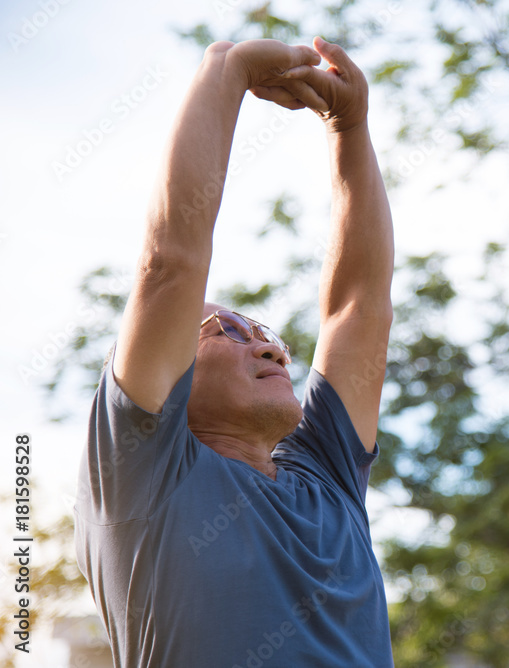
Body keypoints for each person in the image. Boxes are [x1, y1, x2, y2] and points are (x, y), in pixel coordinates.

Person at [74, 37, 395, 667]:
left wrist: (349, 129)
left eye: (266, 331)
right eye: (228, 331)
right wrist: (228, 68)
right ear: (172, 371)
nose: (271, 348)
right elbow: (171, 263)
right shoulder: (141, 471)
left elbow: (358, 307)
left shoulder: (328, 481)